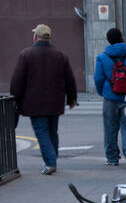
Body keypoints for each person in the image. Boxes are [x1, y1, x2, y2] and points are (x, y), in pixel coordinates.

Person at [9, 23, 77, 175]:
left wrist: (15, 97)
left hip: (34, 103)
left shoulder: (26, 54)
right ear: (49, 38)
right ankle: (53, 159)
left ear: (35, 37)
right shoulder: (60, 55)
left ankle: (50, 162)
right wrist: (72, 98)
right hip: (55, 102)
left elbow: (18, 79)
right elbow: (69, 79)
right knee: (53, 131)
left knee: (42, 132)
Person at [94, 27, 126, 166]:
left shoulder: (102, 58)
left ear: (108, 40)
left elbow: (98, 78)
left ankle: (112, 158)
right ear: (122, 38)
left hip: (110, 97)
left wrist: (103, 92)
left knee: (110, 127)